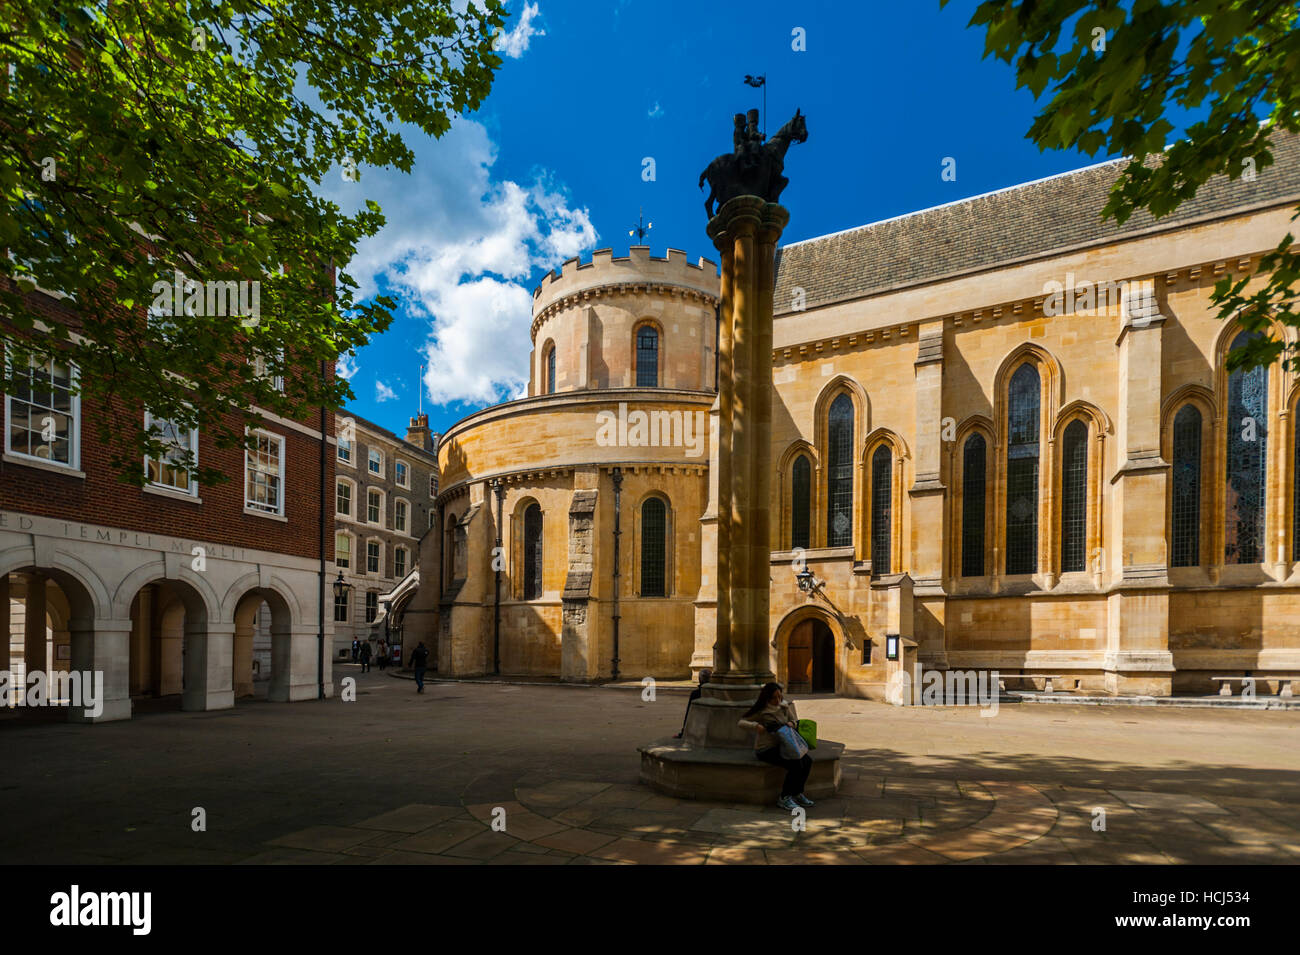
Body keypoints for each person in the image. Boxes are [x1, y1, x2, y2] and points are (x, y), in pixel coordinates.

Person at [738, 682, 813, 811]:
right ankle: (784, 798)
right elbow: (741, 722)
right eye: (774, 698)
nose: (777, 700)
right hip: (766, 749)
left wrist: (791, 723)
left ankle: (797, 792)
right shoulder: (762, 710)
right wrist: (756, 726)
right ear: (767, 698)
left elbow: (795, 721)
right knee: (795, 764)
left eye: (779, 696)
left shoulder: (784, 707)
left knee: (807, 761)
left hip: (786, 745)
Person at [674, 668, 712, 738]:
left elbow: (689, 713)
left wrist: (683, 733)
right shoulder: (715, 693)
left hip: (698, 729)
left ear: (699, 680)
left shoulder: (695, 694)